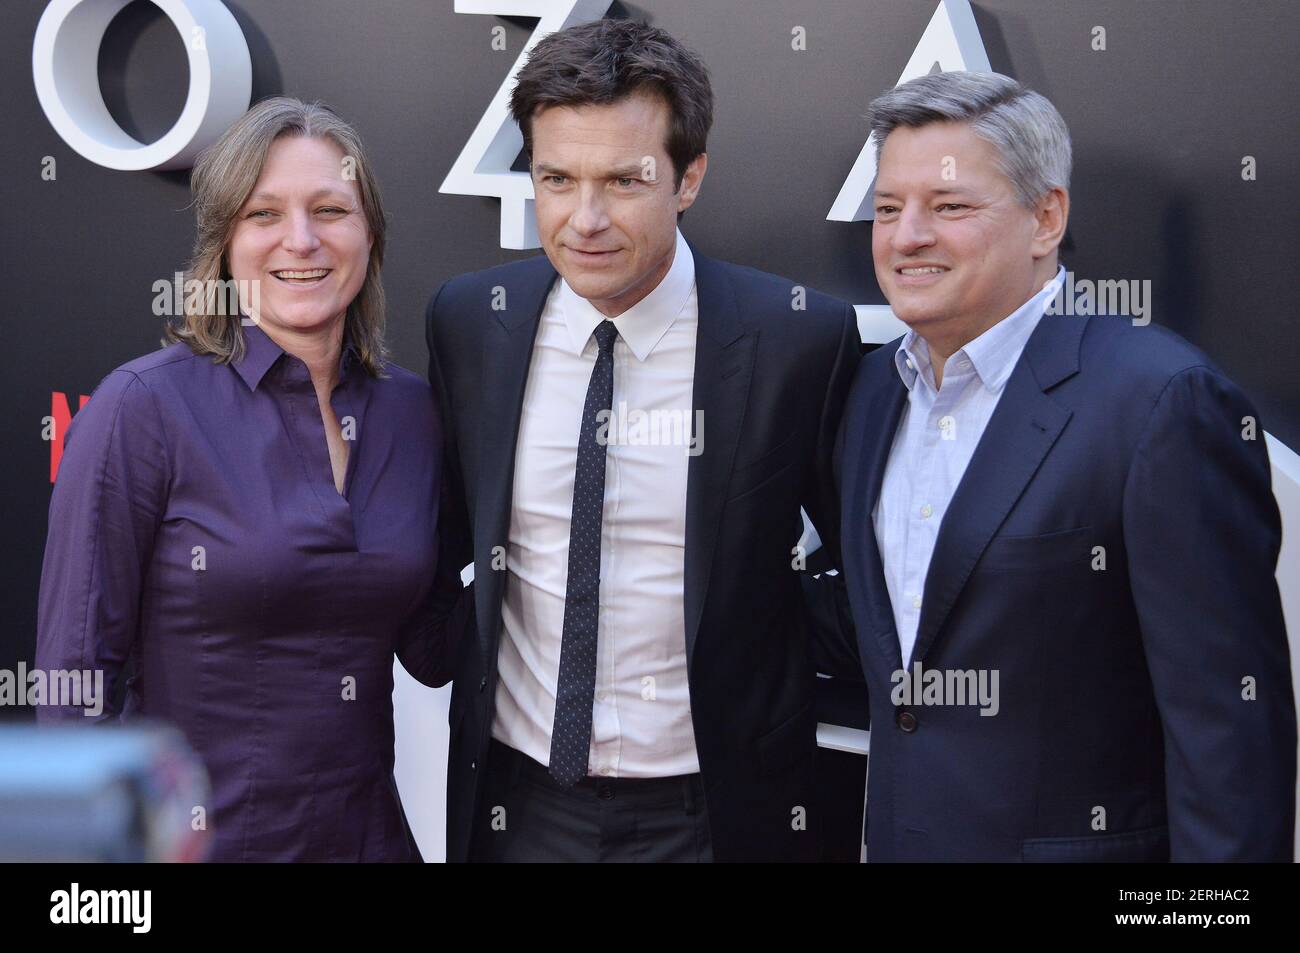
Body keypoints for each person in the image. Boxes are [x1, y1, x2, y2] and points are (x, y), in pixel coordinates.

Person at [810, 70, 1296, 861]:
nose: (905, 237)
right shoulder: (872, 393)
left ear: (1046, 218)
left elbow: (1228, 735)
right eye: (889, 208)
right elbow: (893, 628)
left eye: (950, 206)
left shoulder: (1160, 403)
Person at [426, 19, 860, 862]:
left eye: (625, 181)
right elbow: (441, 528)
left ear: (688, 176)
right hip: (516, 801)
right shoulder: (473, 320)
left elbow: (867, 571)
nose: (584, 219)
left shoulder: (796, 339)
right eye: (556, 179)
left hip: (720, 809)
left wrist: (760, 639)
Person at [36, 97, 459, 861]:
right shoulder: (144, 408)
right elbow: (73, 690)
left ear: (370, 234)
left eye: (331, 208)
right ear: (225, 243)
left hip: (370, 844)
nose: (302, 239)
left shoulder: (413, 413)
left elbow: (433, 650)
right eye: (265, 214)